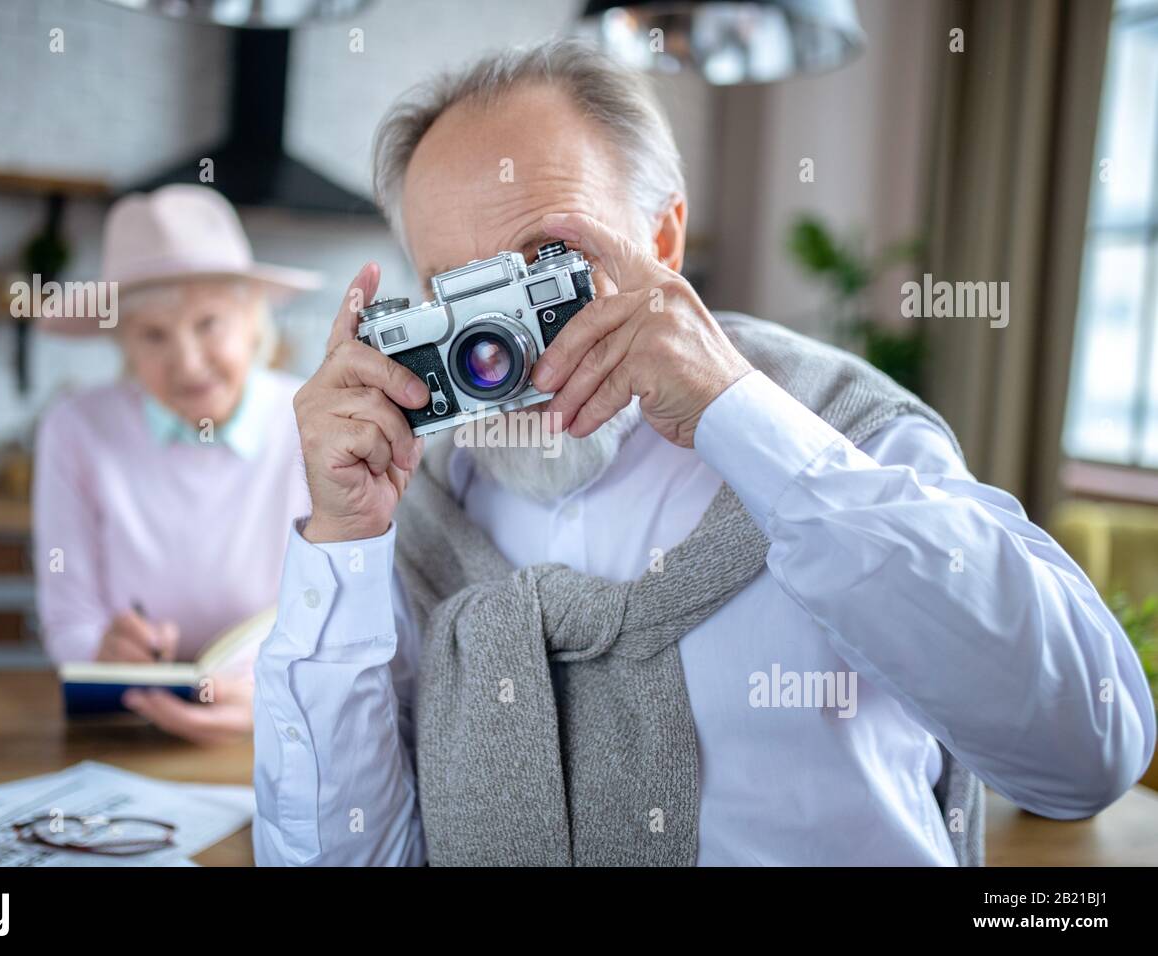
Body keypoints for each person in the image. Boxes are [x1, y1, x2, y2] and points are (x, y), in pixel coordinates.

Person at [253, 40, 1155, 864]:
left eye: (542, 265)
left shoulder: (845, 428)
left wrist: (745, 424)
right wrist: (341, 541)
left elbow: (1084, 755)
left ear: (663, 241)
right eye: (458, 294)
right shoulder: (411, 511)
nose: (501, 345)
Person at [34, 184, 318, 745]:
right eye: (153, 335)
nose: (187, 363)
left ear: (253, 320)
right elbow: (69, 618)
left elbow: (353, 616)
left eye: (209, 323)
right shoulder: (76, 427)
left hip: (285, 729)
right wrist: (102, 650)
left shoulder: (311, 419)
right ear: (122, 344)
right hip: (131, 730)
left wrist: (275, 699)